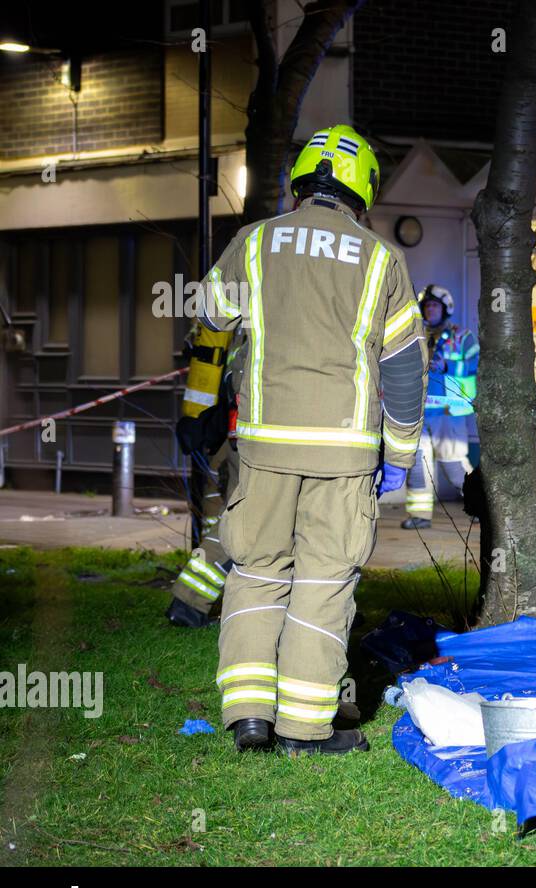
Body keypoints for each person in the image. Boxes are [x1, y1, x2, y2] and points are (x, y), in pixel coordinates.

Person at [200, 124, 426, 756]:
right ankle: (303, 728)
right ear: (363, 192)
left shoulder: (253, 241)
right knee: (324, 582)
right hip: (345, 452)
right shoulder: (383, 258)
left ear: (301, 180)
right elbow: (406, 367)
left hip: (265, 445)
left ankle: (248, 715)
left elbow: (213, 314)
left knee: (256, 571)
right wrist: (402, 454)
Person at [167, 329, 245, 627]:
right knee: (244, 517)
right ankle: (189, 601)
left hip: (233, 426)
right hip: (253, 430)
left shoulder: (235, 296)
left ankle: (195, 599)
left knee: (232, 513)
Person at [402, 284, 478, 528]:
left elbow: (476, 367)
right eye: (426, 305)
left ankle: (482, 508)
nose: (429, 309)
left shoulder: (463, 337)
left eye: (434, 305)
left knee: (454, 468)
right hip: (418, 412)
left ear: (445, 308)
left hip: (449, 413)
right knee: (416, 466)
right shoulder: (413, 337)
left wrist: (447, 367)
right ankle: (420, 516)